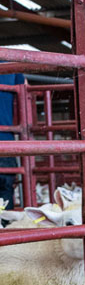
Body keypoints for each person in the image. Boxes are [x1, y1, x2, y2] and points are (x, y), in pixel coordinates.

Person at [0, 71, 25, 208]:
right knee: (5, 189)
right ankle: (3, 226)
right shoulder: (12, 67)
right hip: (5, 143)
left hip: (5, 141)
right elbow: (27, 92)